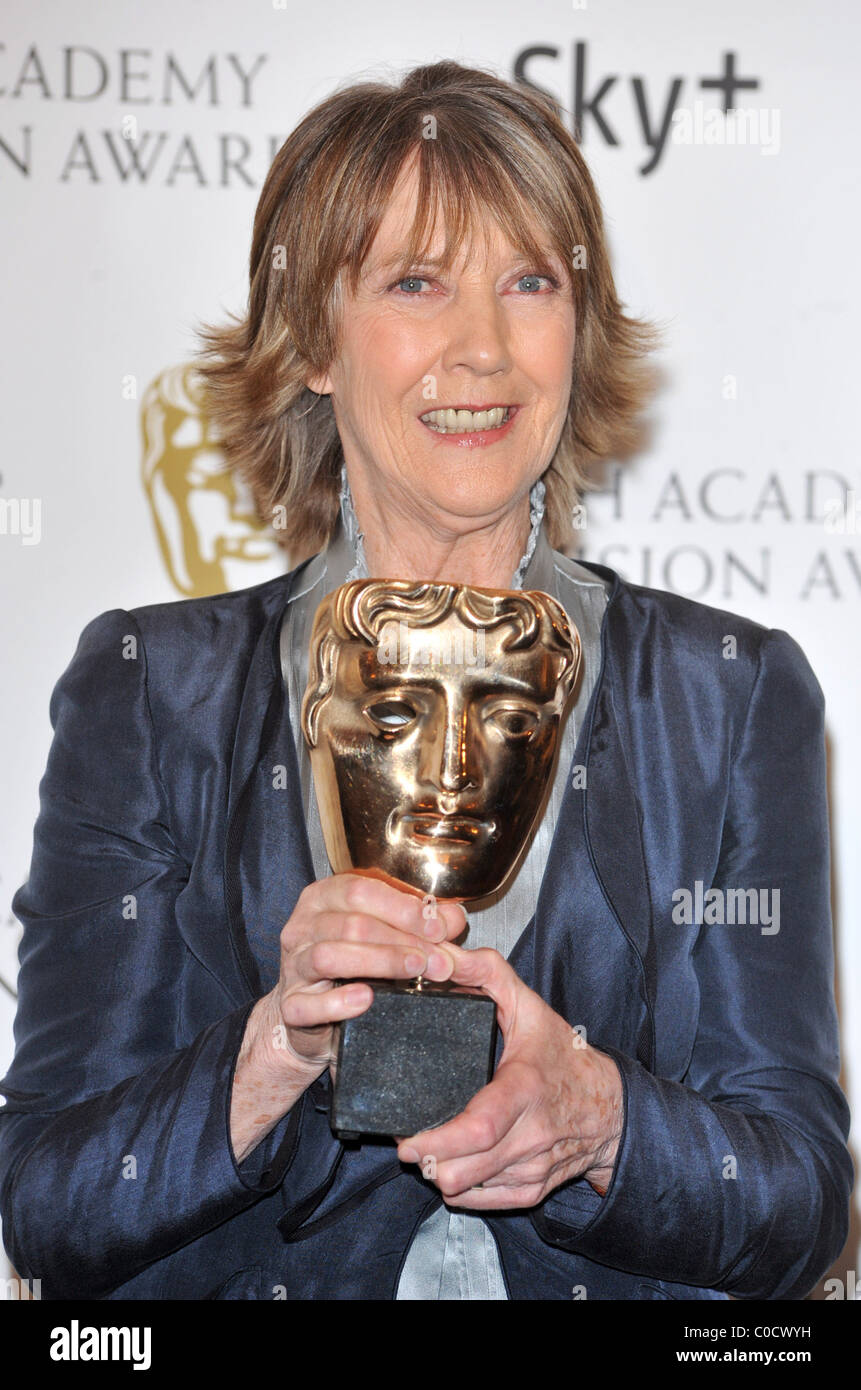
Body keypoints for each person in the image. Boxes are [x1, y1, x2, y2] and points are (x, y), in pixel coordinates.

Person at [0, 60, 851, 1301]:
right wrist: (273, 1051)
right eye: (415, 283)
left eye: (529, 282)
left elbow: (799, 1199)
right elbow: (51, 1203)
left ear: (580, 325)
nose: (484, 348)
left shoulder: (728, 698)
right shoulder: (154, 693)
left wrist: (605, 1121)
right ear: (310, 345)